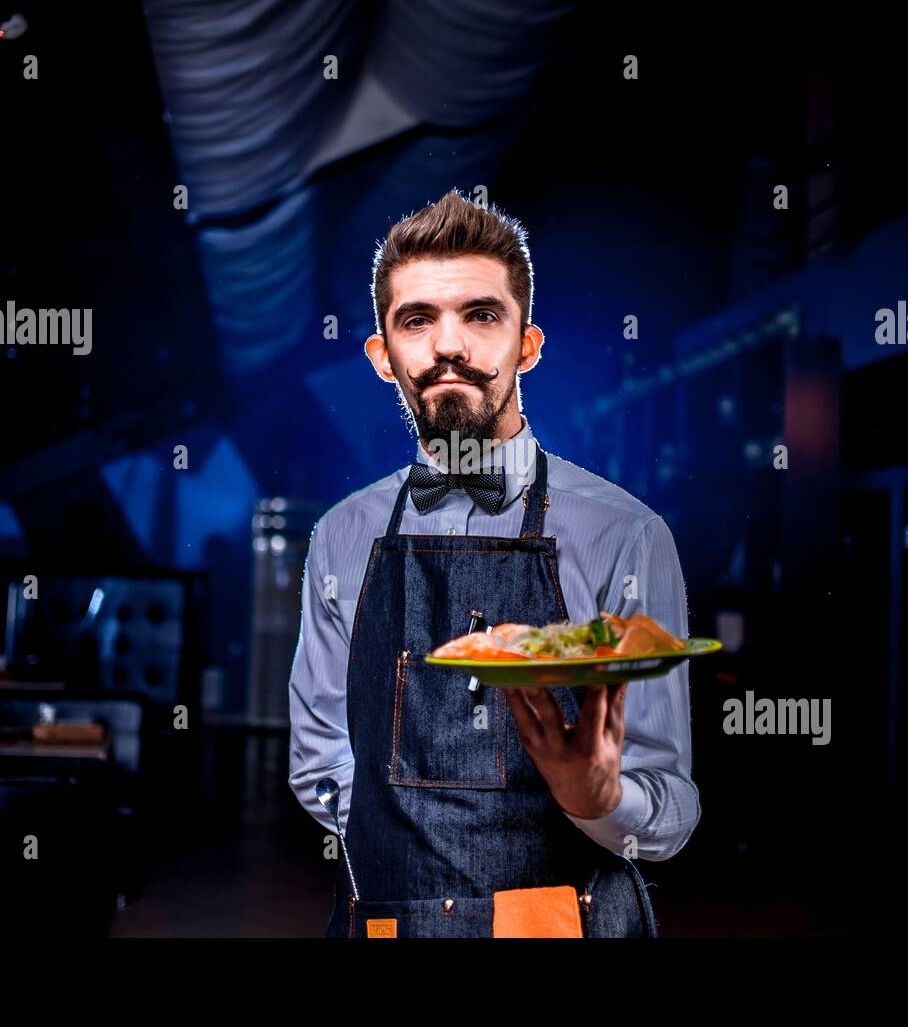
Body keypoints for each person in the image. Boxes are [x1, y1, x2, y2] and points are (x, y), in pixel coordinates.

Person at [288, 188, 698, 938]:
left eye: (481, 315)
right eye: (418, 320)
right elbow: (321, 766)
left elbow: (668, 815)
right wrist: (407, 858)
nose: (449, 346)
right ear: (383, 356)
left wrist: (597, 800)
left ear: (527, 344)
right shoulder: (341, 536)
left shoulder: (625, 534)